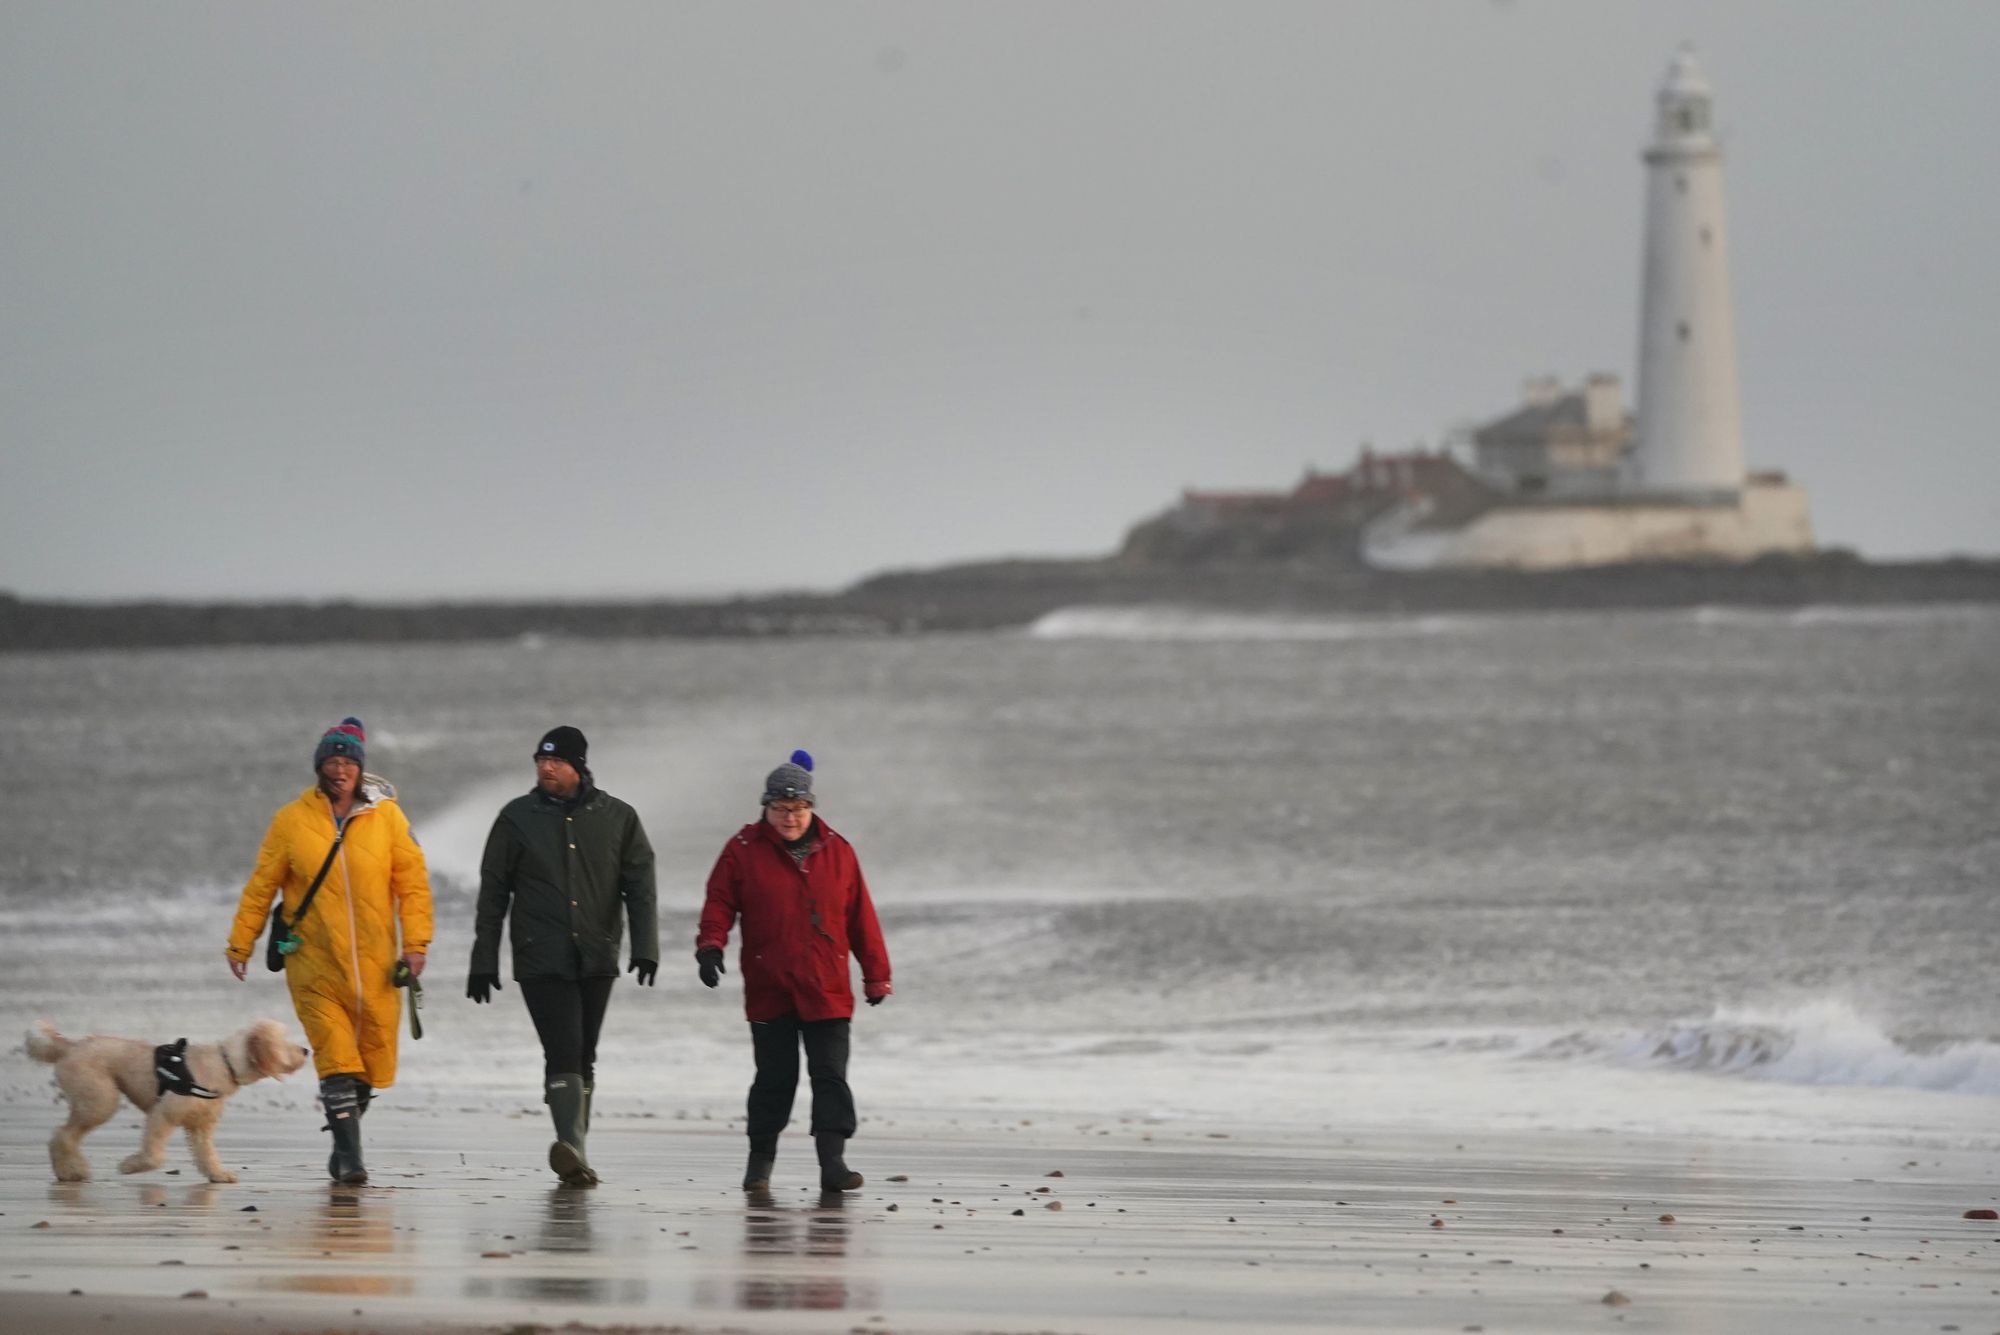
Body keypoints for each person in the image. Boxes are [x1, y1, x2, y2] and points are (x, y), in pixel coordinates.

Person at [226, 717, 433, 1185]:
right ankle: (354, 1162)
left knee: (368, 1064)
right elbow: (262, 887)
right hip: (314, 963)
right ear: (319, 767)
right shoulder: (291, 821)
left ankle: (342, 1150)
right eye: (331, 761)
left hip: (378, 966)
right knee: (336, 1057)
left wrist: (416, 944)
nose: (339, 770)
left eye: (347, 762)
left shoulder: (389, 818)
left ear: (360, 770)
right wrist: (241, 942)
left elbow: (414, 886)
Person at [468, 725, 658, 1188]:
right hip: (540, 956)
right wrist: (483, 958)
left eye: (555, 761)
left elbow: (640, 885)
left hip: (596, 954)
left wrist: (646, 947)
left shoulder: (618, 818)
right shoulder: (516, 818)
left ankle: (576, 1153)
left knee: (585, 1053)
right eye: (541, 760)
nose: (545, 767)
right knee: (564, 1048)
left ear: (578, 766)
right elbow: (493, 893)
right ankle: (569, 1142)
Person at [696, 750, 891, 1193]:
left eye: (799, 808)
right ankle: (759, 1164)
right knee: (774, 1080)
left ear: (811, 807)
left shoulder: (839, 851)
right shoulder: (742, 850)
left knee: (830, 1077)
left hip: (827, 987)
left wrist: (876, 973)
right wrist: (711, 946)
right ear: (765, 808)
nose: (790, 818)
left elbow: (861, 916)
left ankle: (833, 1165)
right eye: (780, 809)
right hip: (771, 989)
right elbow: (719, 902)